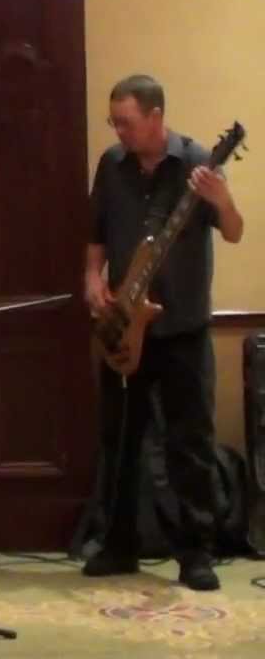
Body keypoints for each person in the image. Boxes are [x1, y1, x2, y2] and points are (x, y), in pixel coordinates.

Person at [83, 74, 243, 591]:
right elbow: (96, 235)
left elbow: (236, 230)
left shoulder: (198, 162)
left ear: (155, 117)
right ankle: (119, 543)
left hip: (181, 328)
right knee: (121, 439)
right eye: (114, 122)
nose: (119, 131)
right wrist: (92, 280)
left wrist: (220, 199)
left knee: (188, 444)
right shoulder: (111, 165)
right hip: (125, 325)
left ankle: (196, 552)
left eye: (125, 122)